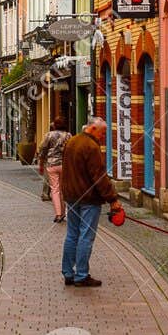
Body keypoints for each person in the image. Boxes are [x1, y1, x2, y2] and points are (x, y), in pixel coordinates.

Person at [59, 116, 125, 287]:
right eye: (102, 133)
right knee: (86, 237)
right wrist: (113, 199)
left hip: (72, 196)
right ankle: (81, 275)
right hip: (88, 198)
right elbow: (99, 177)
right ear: (93, 129)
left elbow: (65, 170)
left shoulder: (71, 142)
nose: (103, 137)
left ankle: (68, 272)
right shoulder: (91, 147)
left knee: (72, 234)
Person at [36, 115, 71, 223]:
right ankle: (64, 212)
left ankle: (58, 214)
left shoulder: (49, 135)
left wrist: (41, 164)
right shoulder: (68, 135)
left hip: (52, 165)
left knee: (55, 189)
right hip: (65, 165)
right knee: (63, 189)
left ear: (54, 125)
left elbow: (42, 149)